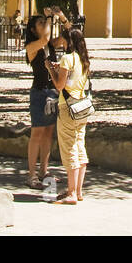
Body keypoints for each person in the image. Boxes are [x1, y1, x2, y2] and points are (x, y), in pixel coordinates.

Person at [47, 27, 91, 204]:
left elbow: (59, 85)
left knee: (69, 148)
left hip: (67, 108)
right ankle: (78, 191)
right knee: (80, 146)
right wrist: (61, 68)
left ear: (69, 41)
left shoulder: (66, 58)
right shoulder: (83, 59)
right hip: (82, 108)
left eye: (63, 39)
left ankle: (71, 192)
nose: (61, 42)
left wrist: (51, 69)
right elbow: (74, 78)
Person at [24, 14, 61, 190]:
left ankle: (43, 171)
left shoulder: (50, 45)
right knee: (37, 133)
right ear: (33, 30)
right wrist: (49, 19)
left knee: (48, 133)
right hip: (39, 93)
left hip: (52, 92)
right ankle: (31, 174)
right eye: (41, 23)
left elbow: (68, 36)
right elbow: (45, 37)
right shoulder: (32, 47)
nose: (45, 25)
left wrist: (61, 16)